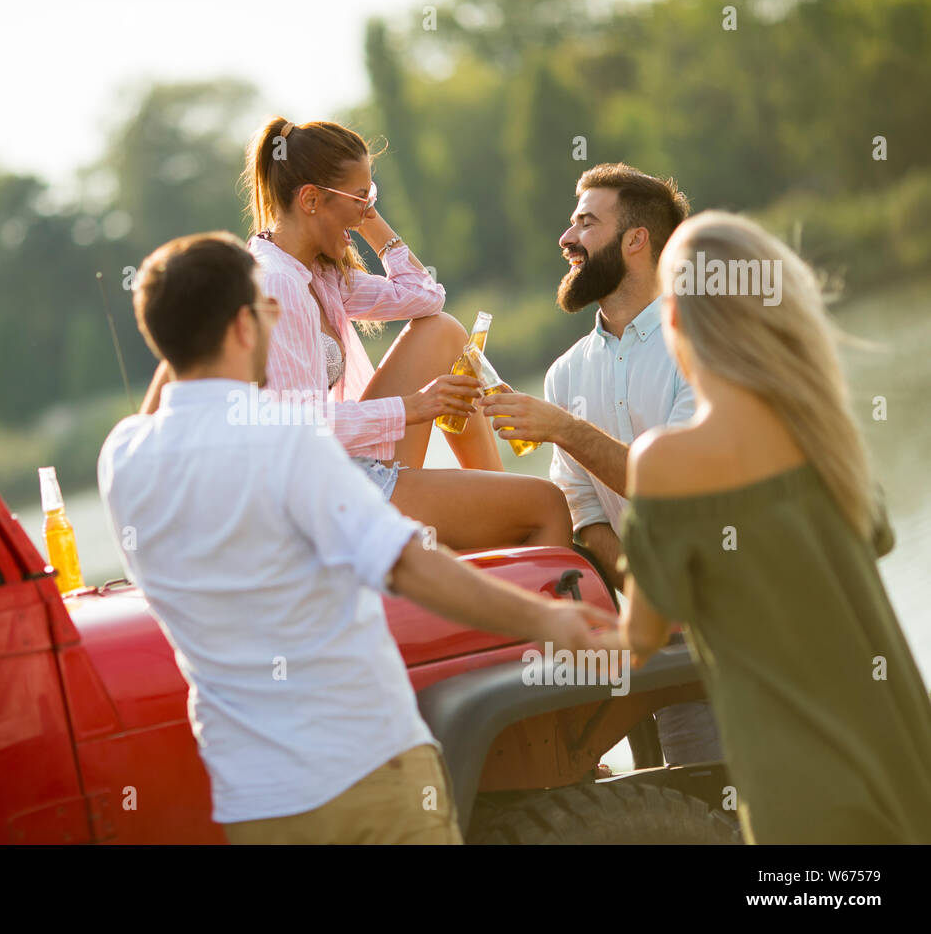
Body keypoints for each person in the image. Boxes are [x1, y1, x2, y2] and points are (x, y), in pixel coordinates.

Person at [101, 231, 616, 844]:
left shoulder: (124, 457)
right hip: (366, 772)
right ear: (240, 326)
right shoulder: (286, 440)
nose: (275, 322)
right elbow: (410, 566)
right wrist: (549, 622)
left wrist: (192, 310)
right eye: (266, 312)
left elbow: (176, 378)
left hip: (253, 804)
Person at [620, 211, 931, 843]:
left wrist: (533, 629)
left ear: (672, 317)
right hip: (910, 771)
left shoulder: (664, 463)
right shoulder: (825, 432)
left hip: (804, 807)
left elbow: (639, 640)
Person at [139, 117, 571, 551]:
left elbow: (425, 297)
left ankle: (496, 507)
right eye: (360, 197)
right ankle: (506, 531)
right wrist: (414, 407)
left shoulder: (319, 270)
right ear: (310, 199)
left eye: (372, 196)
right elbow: (295, 426)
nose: (367, 209)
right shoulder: (275, 283)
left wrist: (367, 220)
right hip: (317, 486)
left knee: (443, 332)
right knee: (547, 504)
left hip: (342, 460)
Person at [478, 163, 720, 767]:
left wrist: (562, 428)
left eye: (586, 222)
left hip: (753, 626)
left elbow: (676, 486)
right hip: (667, 648)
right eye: (571, 221)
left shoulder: (706, 337)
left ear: (636, 240)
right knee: (699, 817)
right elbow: (585, 519)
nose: (567, 237)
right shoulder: (564, 373)